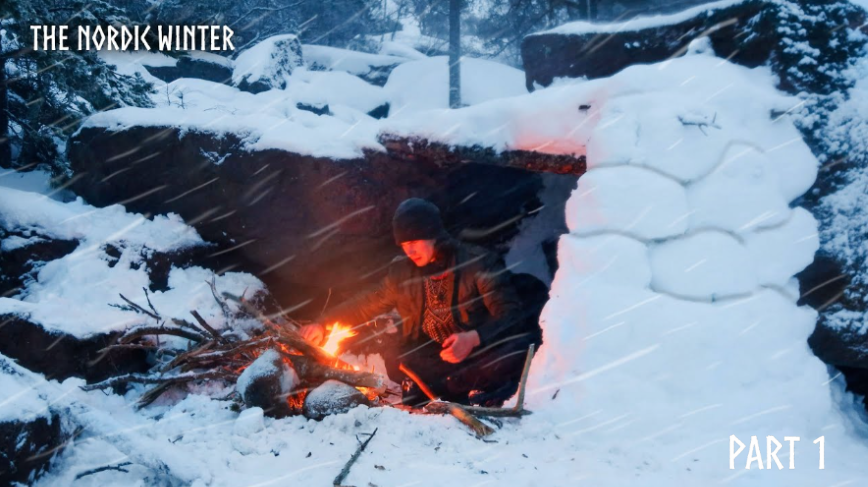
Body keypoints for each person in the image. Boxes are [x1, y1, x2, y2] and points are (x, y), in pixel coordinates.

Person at [300, 198, 543, 407]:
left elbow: (511, 315)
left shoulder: (478, 264)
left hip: (481, 352)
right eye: (404, 245)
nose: (410, 251)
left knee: (515, 350)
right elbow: (365, 304)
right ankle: (449, 387)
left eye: (414, 241)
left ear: (433, 236)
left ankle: (471, 388)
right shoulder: (403, 273)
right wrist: (323, 324)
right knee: (399, 357)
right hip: (438, 358)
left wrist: (473, 338)